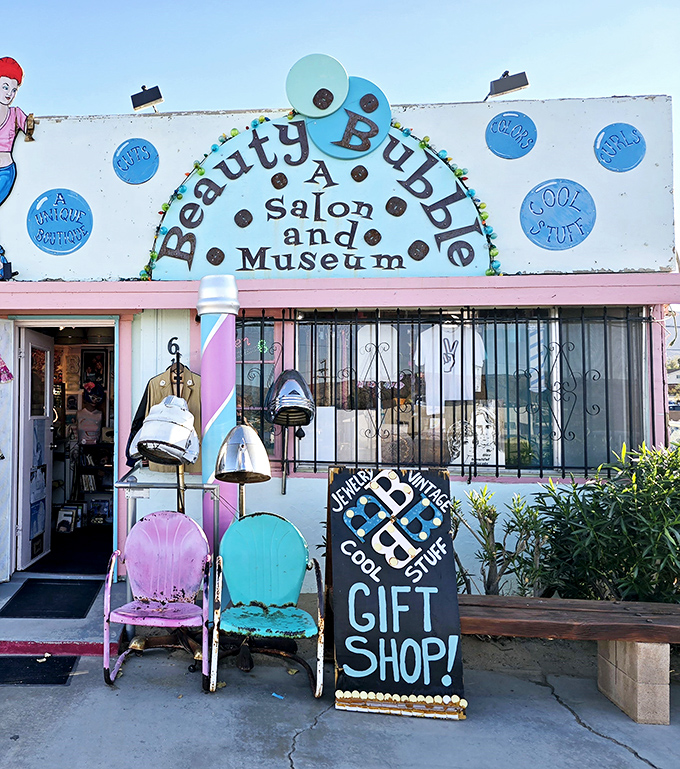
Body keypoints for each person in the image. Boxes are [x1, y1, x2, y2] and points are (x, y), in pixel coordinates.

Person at [0, 57, 29, 209]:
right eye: (5, 87)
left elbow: (31, 130)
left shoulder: (16, 113)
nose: (9, 94)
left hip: (4, 171)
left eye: (14, 90)